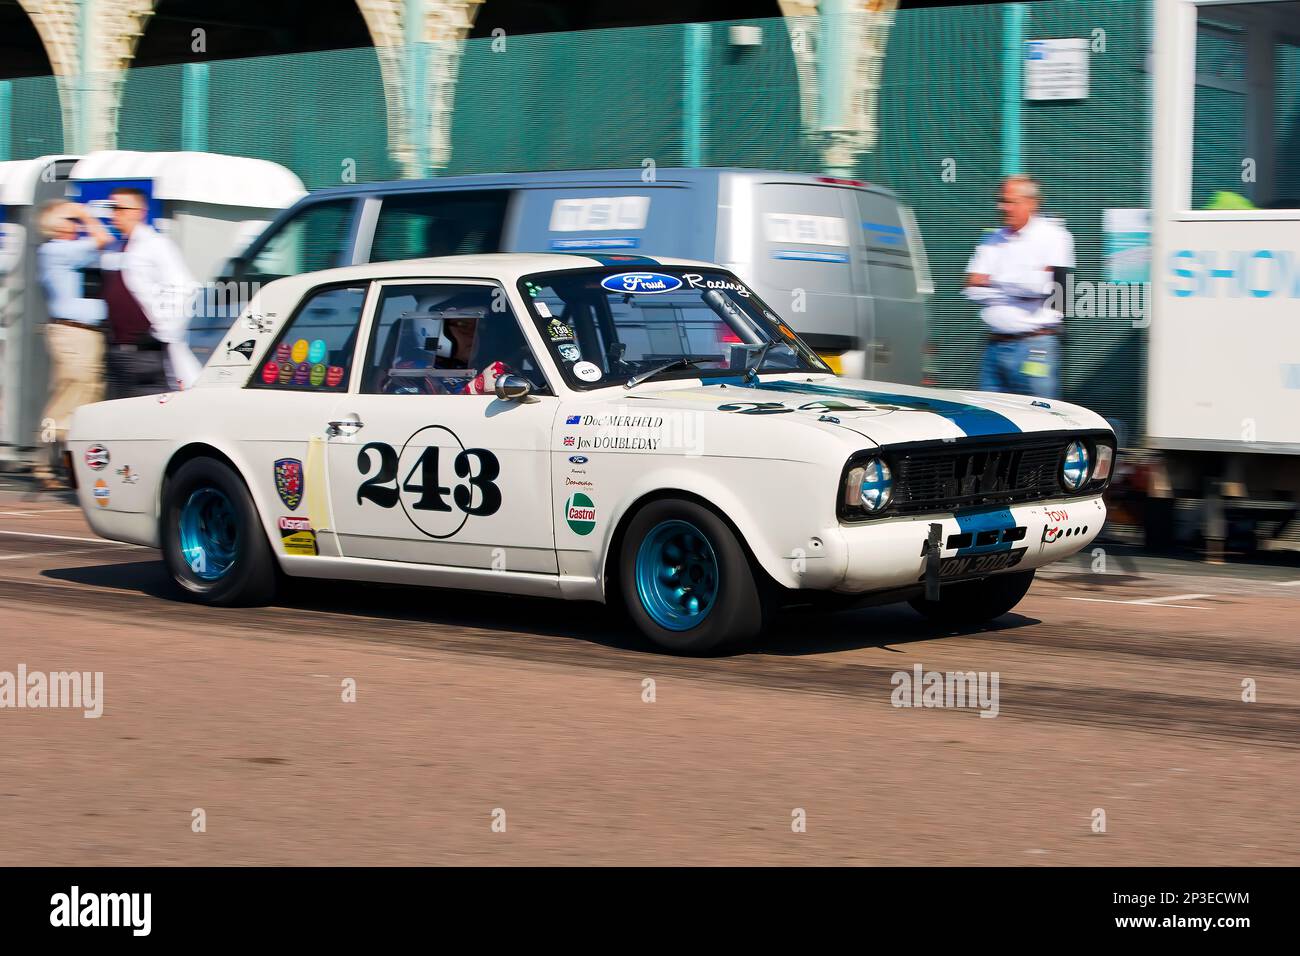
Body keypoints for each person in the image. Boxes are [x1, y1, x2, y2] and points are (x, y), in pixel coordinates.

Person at [964, 174, 1074, 398]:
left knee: (1041, 420)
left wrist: (994, 280)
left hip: (1035, 347)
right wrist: (1025, 283)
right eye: (1001, 201)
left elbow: (1059, 295)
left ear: (1031, 203)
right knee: (992, 419)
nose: (1002, 207)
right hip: (994, 346)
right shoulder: (991, 239)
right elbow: (971, 285)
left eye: (1010, 201)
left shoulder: (1055, 238)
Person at [33, 200, 113, 489]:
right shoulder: (56, 250)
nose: (77, 225)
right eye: (71, 221)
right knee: (68, 402)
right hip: (73, 334)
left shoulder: (67, 251)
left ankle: (63, 467)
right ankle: (46, 465)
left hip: (85, 334)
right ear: (57, 226)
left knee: (84, 399)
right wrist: (85, 213)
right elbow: (104, 239)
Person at [102, 187, 201, 399]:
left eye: (120, 208)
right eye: (112, 208)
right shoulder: (116, 248)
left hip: (145, 353)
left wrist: (163, 331)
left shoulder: (156, 245)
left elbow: (183, 288)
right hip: (116, 352)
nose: (114, 214)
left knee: (144, 414)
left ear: (140, 211)